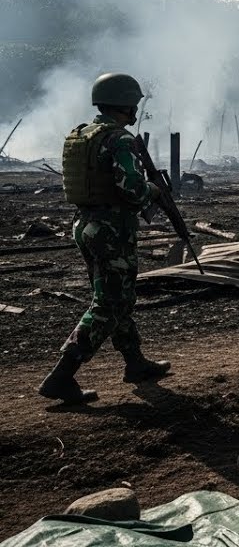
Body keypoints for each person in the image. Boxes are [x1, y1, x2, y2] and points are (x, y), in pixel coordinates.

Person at [39, 73, 169, 404]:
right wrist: (154, 190)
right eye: (134, 104)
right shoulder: (120, 139)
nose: (135, 110)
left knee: (117, 297)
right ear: (126, 104)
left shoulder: (83, 134)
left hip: (86, 225)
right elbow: (132, 190)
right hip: (111, 231)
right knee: (110, 302)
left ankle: (135, 363)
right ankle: (61, 377)